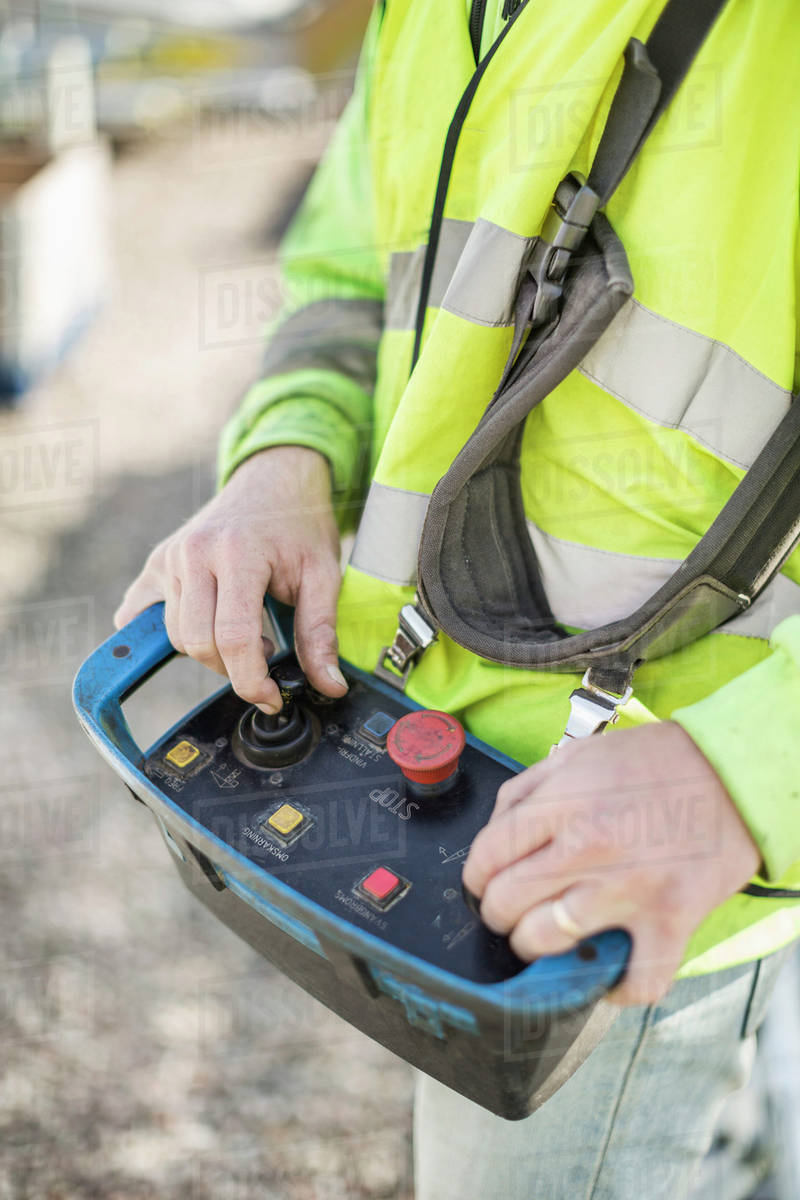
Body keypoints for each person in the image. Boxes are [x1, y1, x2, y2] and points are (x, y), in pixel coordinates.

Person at [115, 1, 800, 1195]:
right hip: (445, 750)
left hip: (619, 859)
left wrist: (752, 770)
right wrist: (286, 452)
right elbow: (352, 263)